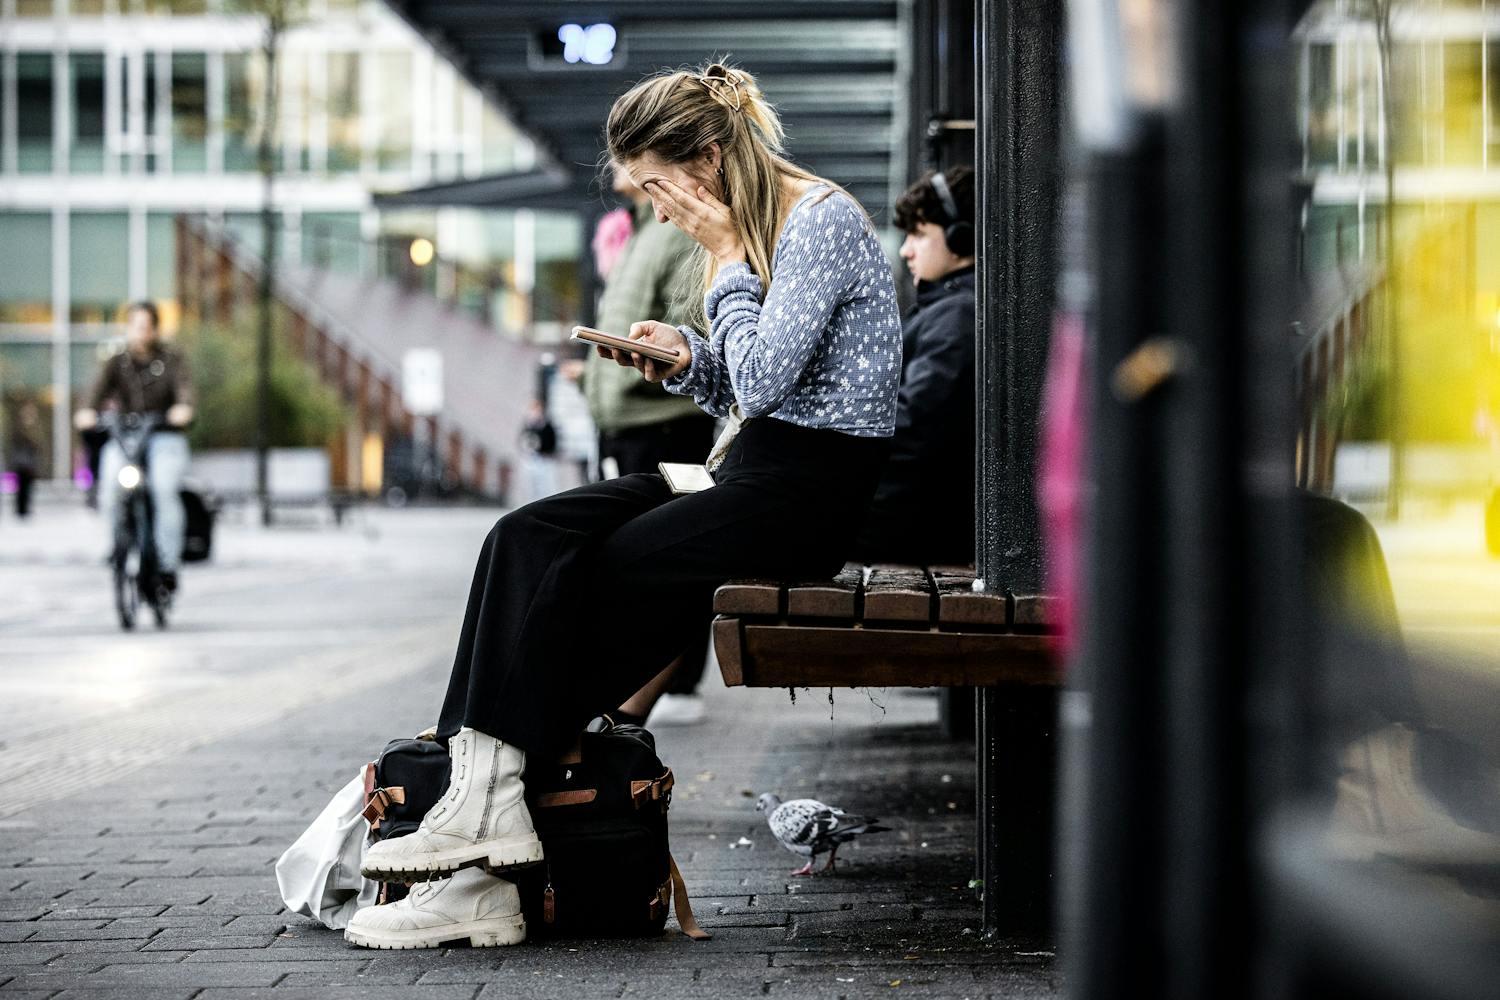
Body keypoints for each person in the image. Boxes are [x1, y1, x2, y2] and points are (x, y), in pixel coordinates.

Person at [343, 62, 902, 950]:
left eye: (657, 186)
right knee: (526, 537)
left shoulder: (818, 221)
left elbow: (765, 381)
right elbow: (746, 388)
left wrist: (722, 266)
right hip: (749, 469)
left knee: (601, 573)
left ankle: (484, 861)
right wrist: (684, 356)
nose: (658, 209)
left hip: (807, 493)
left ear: (707, 159)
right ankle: (480, 813)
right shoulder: (764, 227)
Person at [582, 162, 719, 726]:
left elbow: (698, 333)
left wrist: (648, 359)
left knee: (667, 556)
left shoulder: (674, 233)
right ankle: (653, 683)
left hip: (665, 423)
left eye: (627, 154)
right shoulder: (638, 228)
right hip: (633, 423)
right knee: (639, 552)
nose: (612, 163)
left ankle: (676, 684)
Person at [852, 167, 977, 566]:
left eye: (920, 234)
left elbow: (911, 424)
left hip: (903, 525)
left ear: (961, 238)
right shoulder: (945, 309)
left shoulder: (957, 317)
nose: (906, 249)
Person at [74, 301, 195, 592]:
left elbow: (185, 392)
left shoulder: (172, 359)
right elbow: (94, 392)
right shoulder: (117, 361)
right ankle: (115, 545)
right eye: (135, 326)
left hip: (164, 434)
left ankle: (167, 564)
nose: (141, 332)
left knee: (164, 489)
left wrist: (183, 409)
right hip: (126, 435)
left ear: (155, 328)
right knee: (110, 485)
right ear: (127, 328)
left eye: (146, 326)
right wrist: (86, 412)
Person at [8, 402, 42, 519]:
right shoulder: (19, 429)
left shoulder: (35, 428)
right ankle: (20, 509)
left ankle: (25, 509)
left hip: (29, 463)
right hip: (21, 463)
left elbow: (37, 448)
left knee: (27, 488)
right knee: (21, 488)